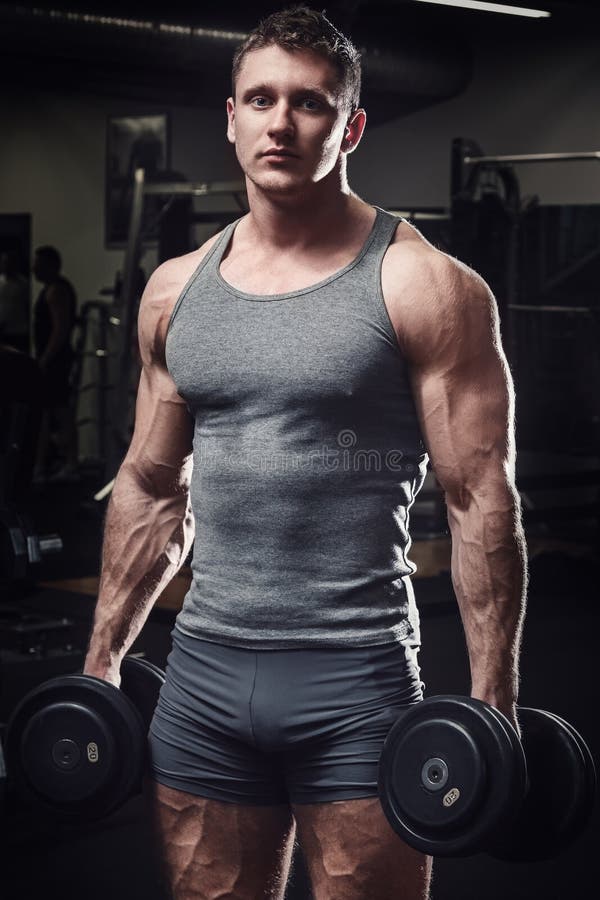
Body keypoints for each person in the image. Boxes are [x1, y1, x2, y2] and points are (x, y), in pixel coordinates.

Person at [83, 7, 527, 899]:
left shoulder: (423, 284)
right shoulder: (175, 292)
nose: (280, 123)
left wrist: (496, 704)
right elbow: (152, 487)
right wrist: (100, 665)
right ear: (231, 117)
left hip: (354, 681)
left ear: (350, 126)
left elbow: (481, 497)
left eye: (309, 102)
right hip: (202, 679)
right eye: (261, 99)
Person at [32, 245, 78, 479]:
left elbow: (60, 330)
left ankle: (70, 464)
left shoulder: (56, 291)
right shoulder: (51, 289)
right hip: (53, 360)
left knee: (60, 411)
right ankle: (41, 465)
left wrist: (45, 359)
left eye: (38, 264)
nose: (34, 268)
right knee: (48, 413)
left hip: (55, 362)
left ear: (50, 266)